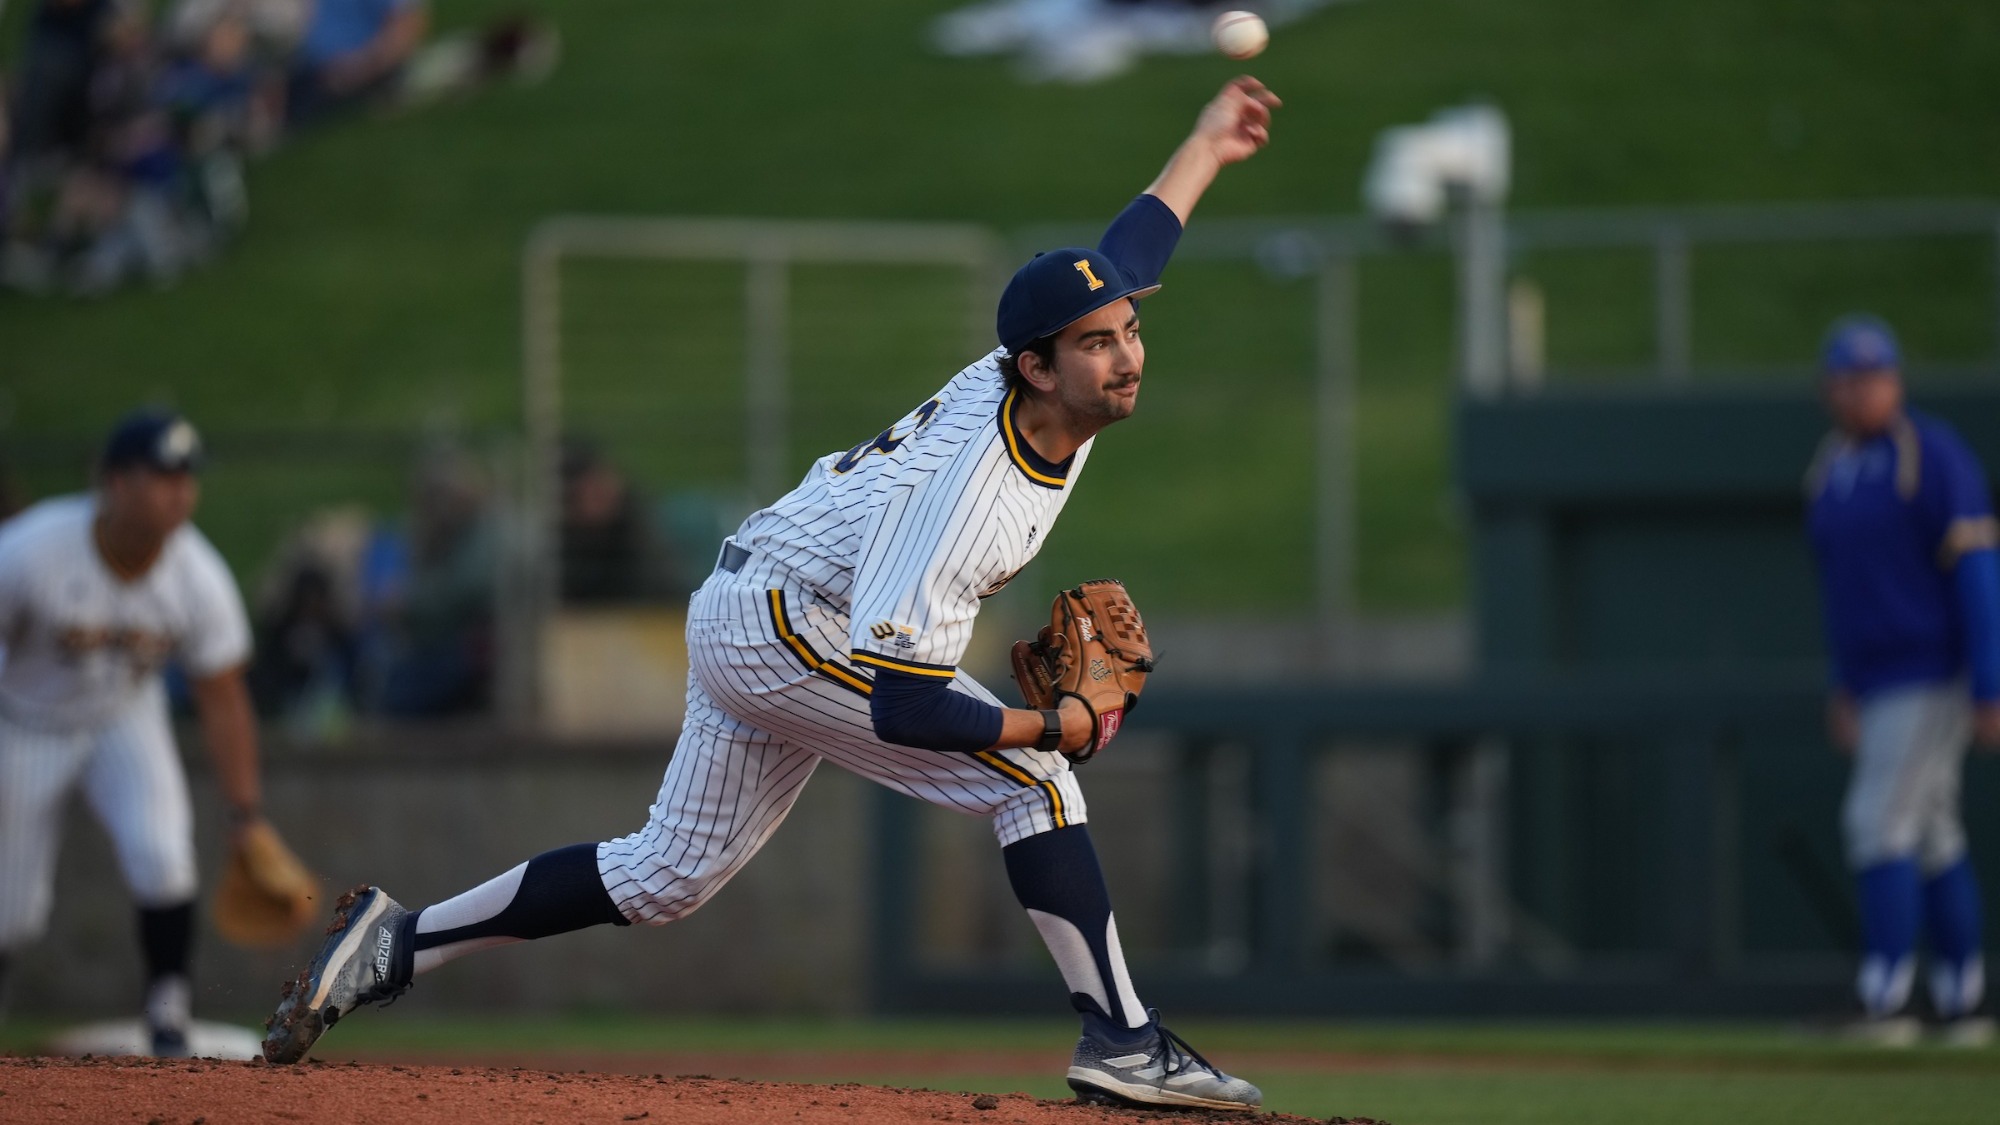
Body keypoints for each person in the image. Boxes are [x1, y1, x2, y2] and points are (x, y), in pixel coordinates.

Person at [263, 76, 1280, 1110]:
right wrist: (1052, 724)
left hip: (763, 599)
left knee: (666, 875)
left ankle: (399, 942)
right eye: (1098, 343)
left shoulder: (1029, 378)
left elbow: (1130, 253)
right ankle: (1121, 1038)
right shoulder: (967, 498)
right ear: (1034, 366)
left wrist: (1202, 146)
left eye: (1127, 333)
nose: (1125, 356)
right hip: (786, 622)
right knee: (1034, 783)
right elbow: (905, 705)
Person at [0, 409, 277, 1056]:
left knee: (162, 854)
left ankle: (168, 1008)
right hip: (24, 719)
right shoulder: (31, 548)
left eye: (187, 476)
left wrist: (245, 813)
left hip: (124, 716)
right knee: (11, 906)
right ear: (116, 483)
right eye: (161, 474)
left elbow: (223, 696)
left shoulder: (196, 574)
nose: (180, 489)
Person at [1806, 315, 2000, 1046]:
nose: (1859, 392)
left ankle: (1884, 1000)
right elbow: (1843, 590)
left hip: (1930, 672)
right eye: (1847, 380)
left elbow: (1979, 571)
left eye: (1873, 377)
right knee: (1933, 838)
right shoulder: (1832, 467)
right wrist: (1844, 679)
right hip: (1879, 677)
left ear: (1896, 381)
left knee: (1877, 822)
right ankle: (1962, 1002)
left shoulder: (1932, 455)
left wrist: (1990, 682)